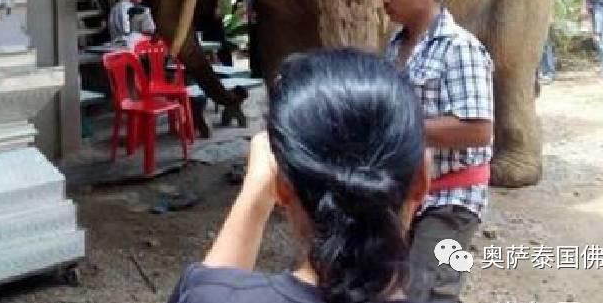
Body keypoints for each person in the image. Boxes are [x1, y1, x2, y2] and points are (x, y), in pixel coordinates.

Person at [167, 48, 430, 303]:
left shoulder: (207, 295)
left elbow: (211, 286)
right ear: (422, 180)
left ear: (282, 186)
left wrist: (254, 194)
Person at [375, 0, 493, 303]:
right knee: (400, 285)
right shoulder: (395, 46)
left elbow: (478, 129)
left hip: (451, 197)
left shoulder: (460, 48)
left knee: (425, 290)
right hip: (408, 192)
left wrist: (399, 128)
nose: (384, 0)